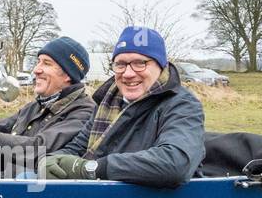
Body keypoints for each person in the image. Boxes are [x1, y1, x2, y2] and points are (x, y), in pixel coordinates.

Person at [39, 26, 205, 188]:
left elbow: (175, 163)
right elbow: (78, 147)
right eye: (120, 64)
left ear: (161, 66)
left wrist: (91, 168)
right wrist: (52, 159)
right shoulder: (106, 103)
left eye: (140, 63)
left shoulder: (182, 105)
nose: (128, 73)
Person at [0, 37, 96, 176]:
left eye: (46, 63)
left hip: (26, 192)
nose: (36, 70)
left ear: (68, 74)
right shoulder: (37, 105)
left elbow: (39, 147)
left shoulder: (83, 111)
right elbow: (1, 127)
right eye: (38, 61)